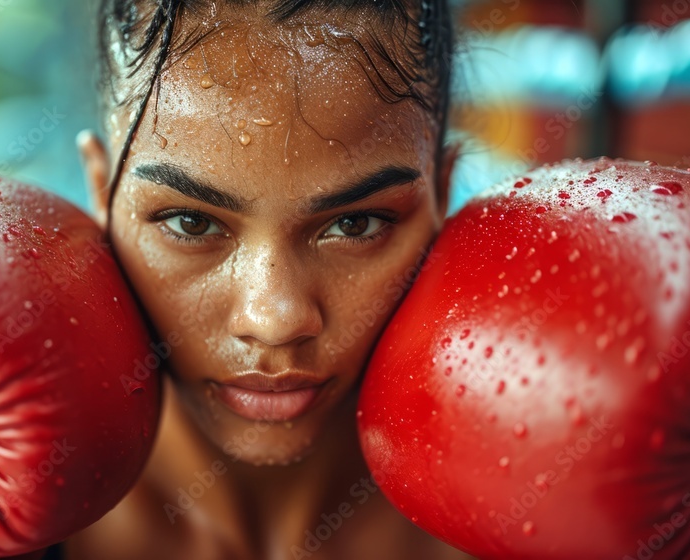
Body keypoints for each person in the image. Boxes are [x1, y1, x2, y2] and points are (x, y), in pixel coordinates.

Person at [63, 0, 475, 557]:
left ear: (443, 194)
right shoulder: (31, 515)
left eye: (356, 224)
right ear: (100, 189)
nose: (275, 320)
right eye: (192, 222)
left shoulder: (512, 514)